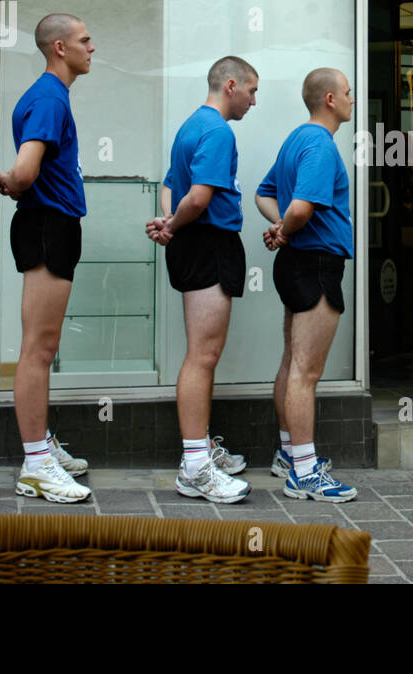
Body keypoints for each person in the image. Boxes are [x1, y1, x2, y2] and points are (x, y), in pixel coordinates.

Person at [0, 14, 94, 504]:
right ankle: (35, 464)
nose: (91, 48)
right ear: (59, 48)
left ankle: (42, 447)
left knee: (42, 346)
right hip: (48, 224)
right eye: (84, 41)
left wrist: (16, 179)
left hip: (51, 224)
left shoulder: (51, 96)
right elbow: (27, 169)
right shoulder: (50, 97)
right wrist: (13, 179)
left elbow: (29, 170)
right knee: (39, 348)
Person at [145, 57, 258, 503]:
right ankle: (195, 467)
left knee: (203, 354)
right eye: (251, 90)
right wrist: (173, 225)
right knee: (203, 355)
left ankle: (202, 451)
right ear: (230, 85)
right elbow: (197, 196)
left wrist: (169, 221)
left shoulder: (190, 126)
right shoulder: (217, 131)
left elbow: (171, 187)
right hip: (208, 242)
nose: (253, 100)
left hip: (198, 241)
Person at [255, 68, 356, 502]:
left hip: (298, 262)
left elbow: (263, 193)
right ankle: (305, 473)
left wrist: (279, 229)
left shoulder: (296, 138)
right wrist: (287, 228)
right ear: (330, 99)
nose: (354, 99)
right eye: (349, 93)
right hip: (316, 264)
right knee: (306, 372)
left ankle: (288, 455)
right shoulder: (319, 144)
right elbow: (300, 207)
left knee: (292, 362)